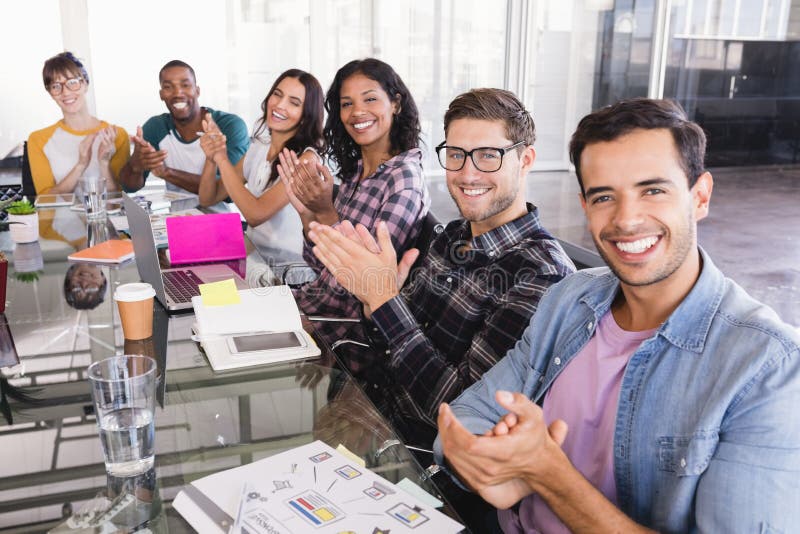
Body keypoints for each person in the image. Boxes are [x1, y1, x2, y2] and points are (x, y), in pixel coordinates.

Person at [434, 98, 800, 533]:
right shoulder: (568, 300)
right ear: (585, 207)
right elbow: (466, 414)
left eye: (653, 190)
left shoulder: (766, 367)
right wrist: (487, 462)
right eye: (604, 196)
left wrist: (545, 475)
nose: (626, 219)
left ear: (699, 196)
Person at [307, 88, 575, 446]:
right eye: (456, 155)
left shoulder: (541, 275)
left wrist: (387, 303)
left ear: (525, 160)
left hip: (422, 458)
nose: (467, 173)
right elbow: (390, 353)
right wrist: (377, 305)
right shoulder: (452, 235)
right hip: (368, 420)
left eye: (487, 156)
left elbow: (461, 412)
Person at [277, 58, 429, 320]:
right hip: (309, 303)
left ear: (396, 103)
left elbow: (359, 288)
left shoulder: (404, 182)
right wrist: (307, 213)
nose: (357, 111)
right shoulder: (357, 171)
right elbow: (320, 267)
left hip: (334, 327)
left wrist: (325, 213)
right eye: (347, 104)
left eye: (370, 99)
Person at [198, 69, 324, 261]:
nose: (280, 105)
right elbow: (209, 197)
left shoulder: (306, 159)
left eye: (294, 102)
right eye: (277, 94)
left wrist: (222, 159)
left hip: (290, 272)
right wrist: (212, 156)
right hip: (255, 262)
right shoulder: (259, 147)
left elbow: (255, 215)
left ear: (306, 115)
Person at [119, 60, 249, 194]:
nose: (178, 93)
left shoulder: (230, 126)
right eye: (168, 87)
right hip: (177, 215)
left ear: (197, 91)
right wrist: (135, 165)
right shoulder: (156, 127)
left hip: (224, 214)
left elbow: (228, 190)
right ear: (161, 94)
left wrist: (167, 173)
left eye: (185, 85)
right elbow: (130, 187)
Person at [28, 52, 129, 195]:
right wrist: (81, 165)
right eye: (56, 86)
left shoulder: (117, 135)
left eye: (72, 83)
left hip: (107, 217)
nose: (66, 92)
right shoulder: (38, 139)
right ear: (50, 93)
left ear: (85, 84)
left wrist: (104, 163)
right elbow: (45, 200)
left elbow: (120, 201)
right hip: (63, 218)